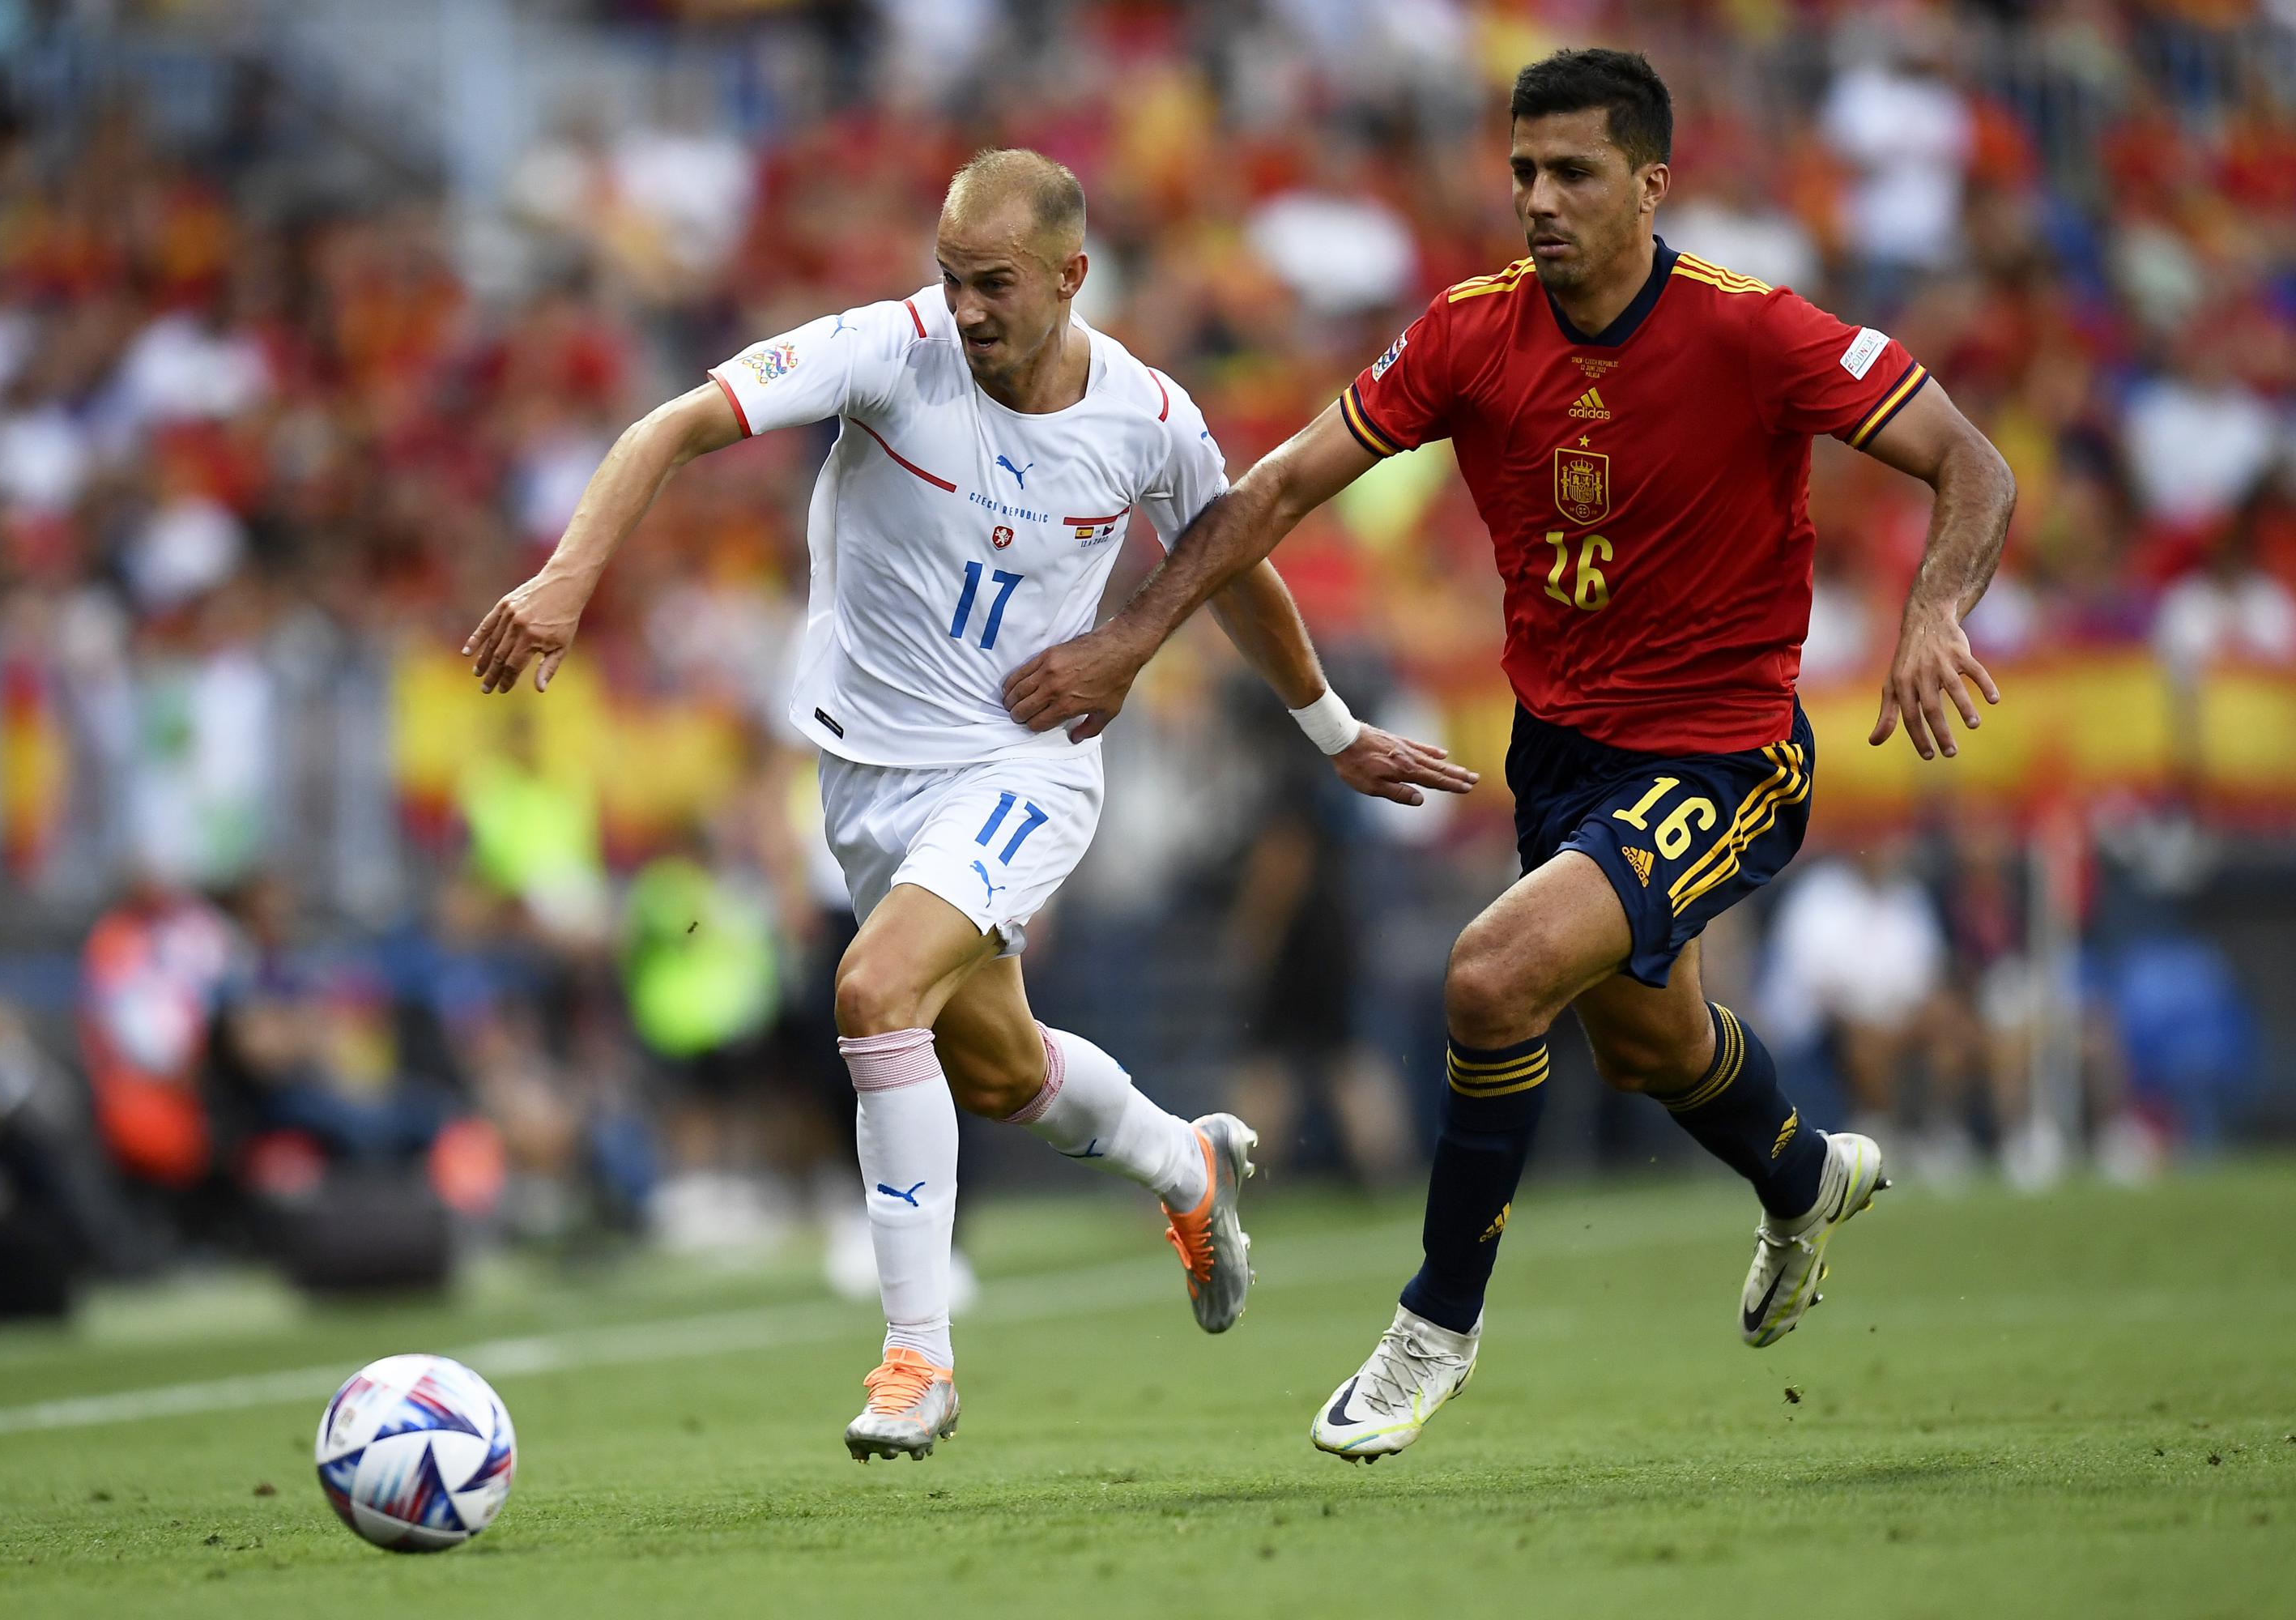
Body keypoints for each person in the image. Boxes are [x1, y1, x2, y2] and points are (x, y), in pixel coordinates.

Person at [1003, 50, 2014, 1461]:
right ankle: (1804, 1182)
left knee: (1490, 975)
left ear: (1652, 184)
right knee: (1659, 1049)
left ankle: (1435, 1325)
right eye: (1524, 170)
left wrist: (1933, 614)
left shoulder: (1754, 330)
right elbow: (1278, 488)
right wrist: (1132, 639)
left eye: (1574, 173)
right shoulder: (1468, 334)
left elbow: (1975, 462)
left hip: (1725, 756)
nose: (1537, 199)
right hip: (1562, 758)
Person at [464, 148, 1474, 1462]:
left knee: (874, 993)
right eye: (951, 279)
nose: (967, 308)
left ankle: (915, 1360)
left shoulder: (1150, 419)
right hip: (866, 776)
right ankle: (1187, 1166)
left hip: (1023, 765)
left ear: (1071, 277)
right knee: (993, 1067)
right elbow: (673, 427)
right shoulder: (889, 351)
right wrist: (563, 581)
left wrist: (1331, 731)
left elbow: (1235, 562)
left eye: (994, 284)